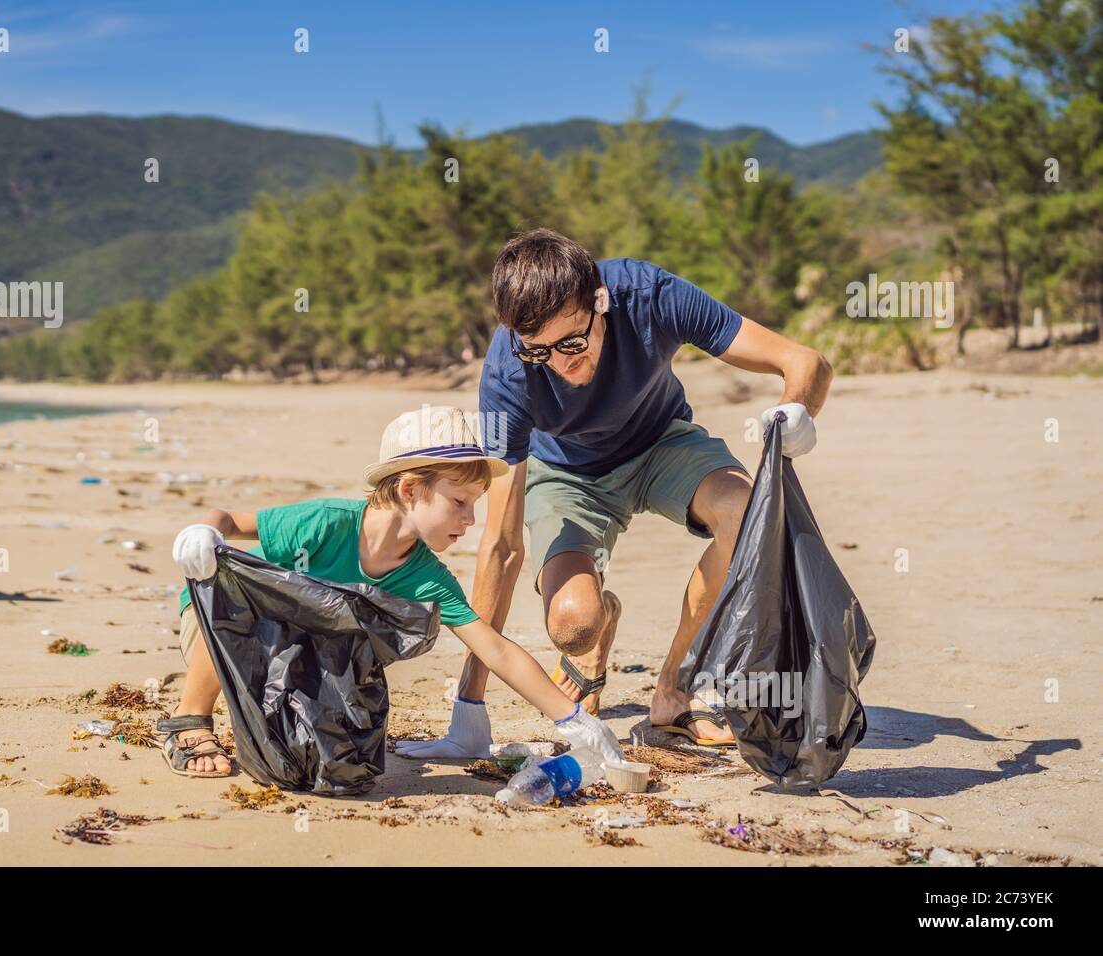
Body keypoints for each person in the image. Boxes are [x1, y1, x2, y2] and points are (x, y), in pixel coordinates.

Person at [402, 228, 833, 760]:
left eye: (573, 343)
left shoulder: (650, 296)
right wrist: (469, 708)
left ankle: (673, 689)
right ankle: (598, 630)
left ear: (599, 303)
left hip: (661, 444)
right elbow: (501, 545)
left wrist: (797, 410)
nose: (561, 363)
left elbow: (805, 363)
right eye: (540, 352)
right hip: (566, 475)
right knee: (571, 624)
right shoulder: (506, 374)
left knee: (746, 515)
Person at [160, 404, 625, 777]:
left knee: (336, 759)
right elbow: (226, 521)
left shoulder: (426, 576)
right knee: (235, 590)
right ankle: (189, 720)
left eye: (474, 506)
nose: (469, 520)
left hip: (302, 653)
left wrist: (572, 719)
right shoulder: (324, 523)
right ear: (408, 489)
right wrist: (201, 535)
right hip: (225, 631)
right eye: (459, 502)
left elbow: (495, 649)